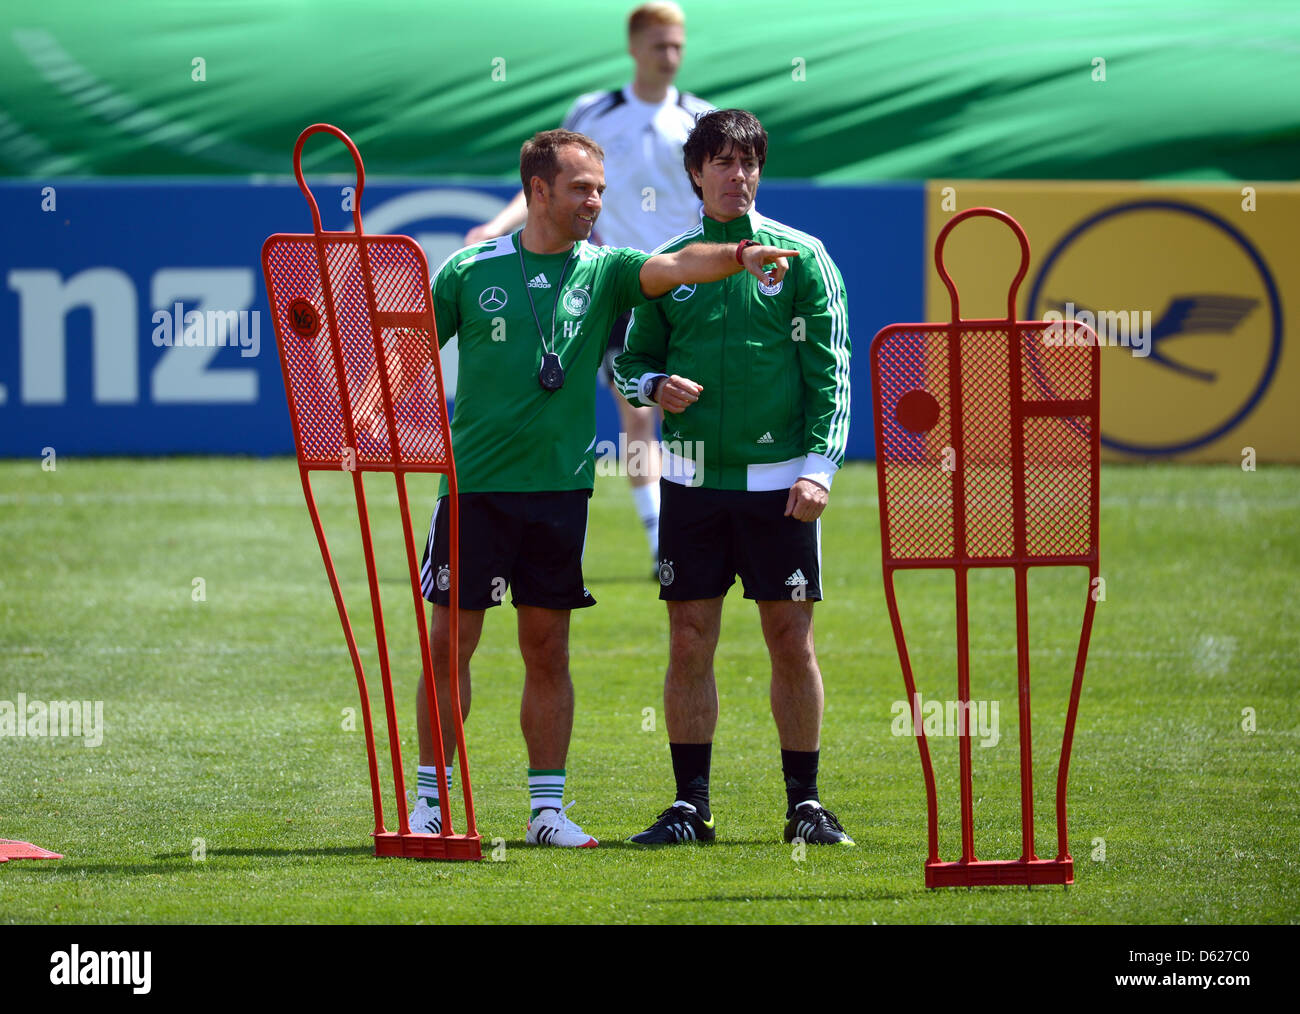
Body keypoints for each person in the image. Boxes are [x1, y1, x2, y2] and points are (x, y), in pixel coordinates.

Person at [410, 127, 799, 847]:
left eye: (600, 189)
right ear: (538, 192)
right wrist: (369, 411)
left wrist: (741, 256)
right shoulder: (468, 271)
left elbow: (679, 263)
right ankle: (430, 804)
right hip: (471, 492)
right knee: (449, 646)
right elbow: (404, 353)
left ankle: (546, 813)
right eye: (582, 188)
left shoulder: (610, 269)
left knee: (547, 650)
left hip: (561, 493)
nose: (596, 201)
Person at [613, 109, 855, 847]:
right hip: (690, 484)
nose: (737, 175)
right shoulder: (671, 264)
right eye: (721, 162)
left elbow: (831, 373)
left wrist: (819, 469)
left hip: (781, 485)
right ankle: (691, 807)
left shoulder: (804, 258)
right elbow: (626, 364)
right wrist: (654, 384)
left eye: (748, 162)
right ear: (695, 172)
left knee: (791, 639)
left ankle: (805, 806)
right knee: (689, 637)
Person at [465, 2, 713, 569]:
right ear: (634, 47)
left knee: (695, 412)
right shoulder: (594, 112)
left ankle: (699, 530)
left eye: (677, 45)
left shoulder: (700, 120)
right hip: (623, 286)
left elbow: (725, 200)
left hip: (688, 288)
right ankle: (660, 543)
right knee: (638, 410)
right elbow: (545, 182)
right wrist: (497, 227)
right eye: (659, 46)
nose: (670, 56)